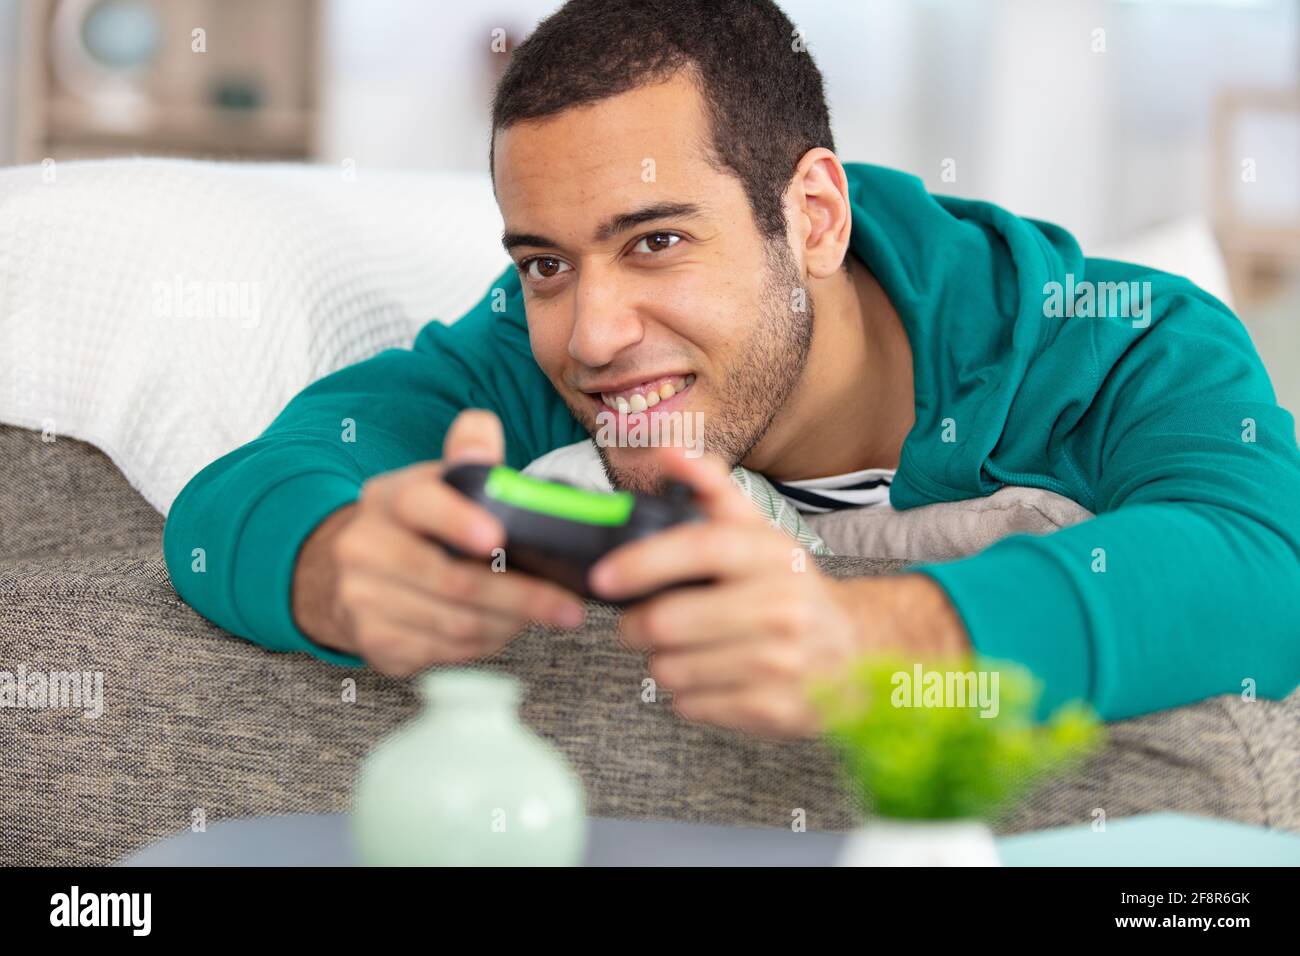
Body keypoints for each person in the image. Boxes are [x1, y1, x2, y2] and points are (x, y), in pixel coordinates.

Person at [163, 0, 1300, 738]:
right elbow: (245, 490)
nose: (594, 334)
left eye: (655, 241)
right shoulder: (529, 336)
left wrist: (870, 641)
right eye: (547, 260)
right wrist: (336, 566)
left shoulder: (1120, 341)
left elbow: (1265, 564)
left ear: (812, 216)